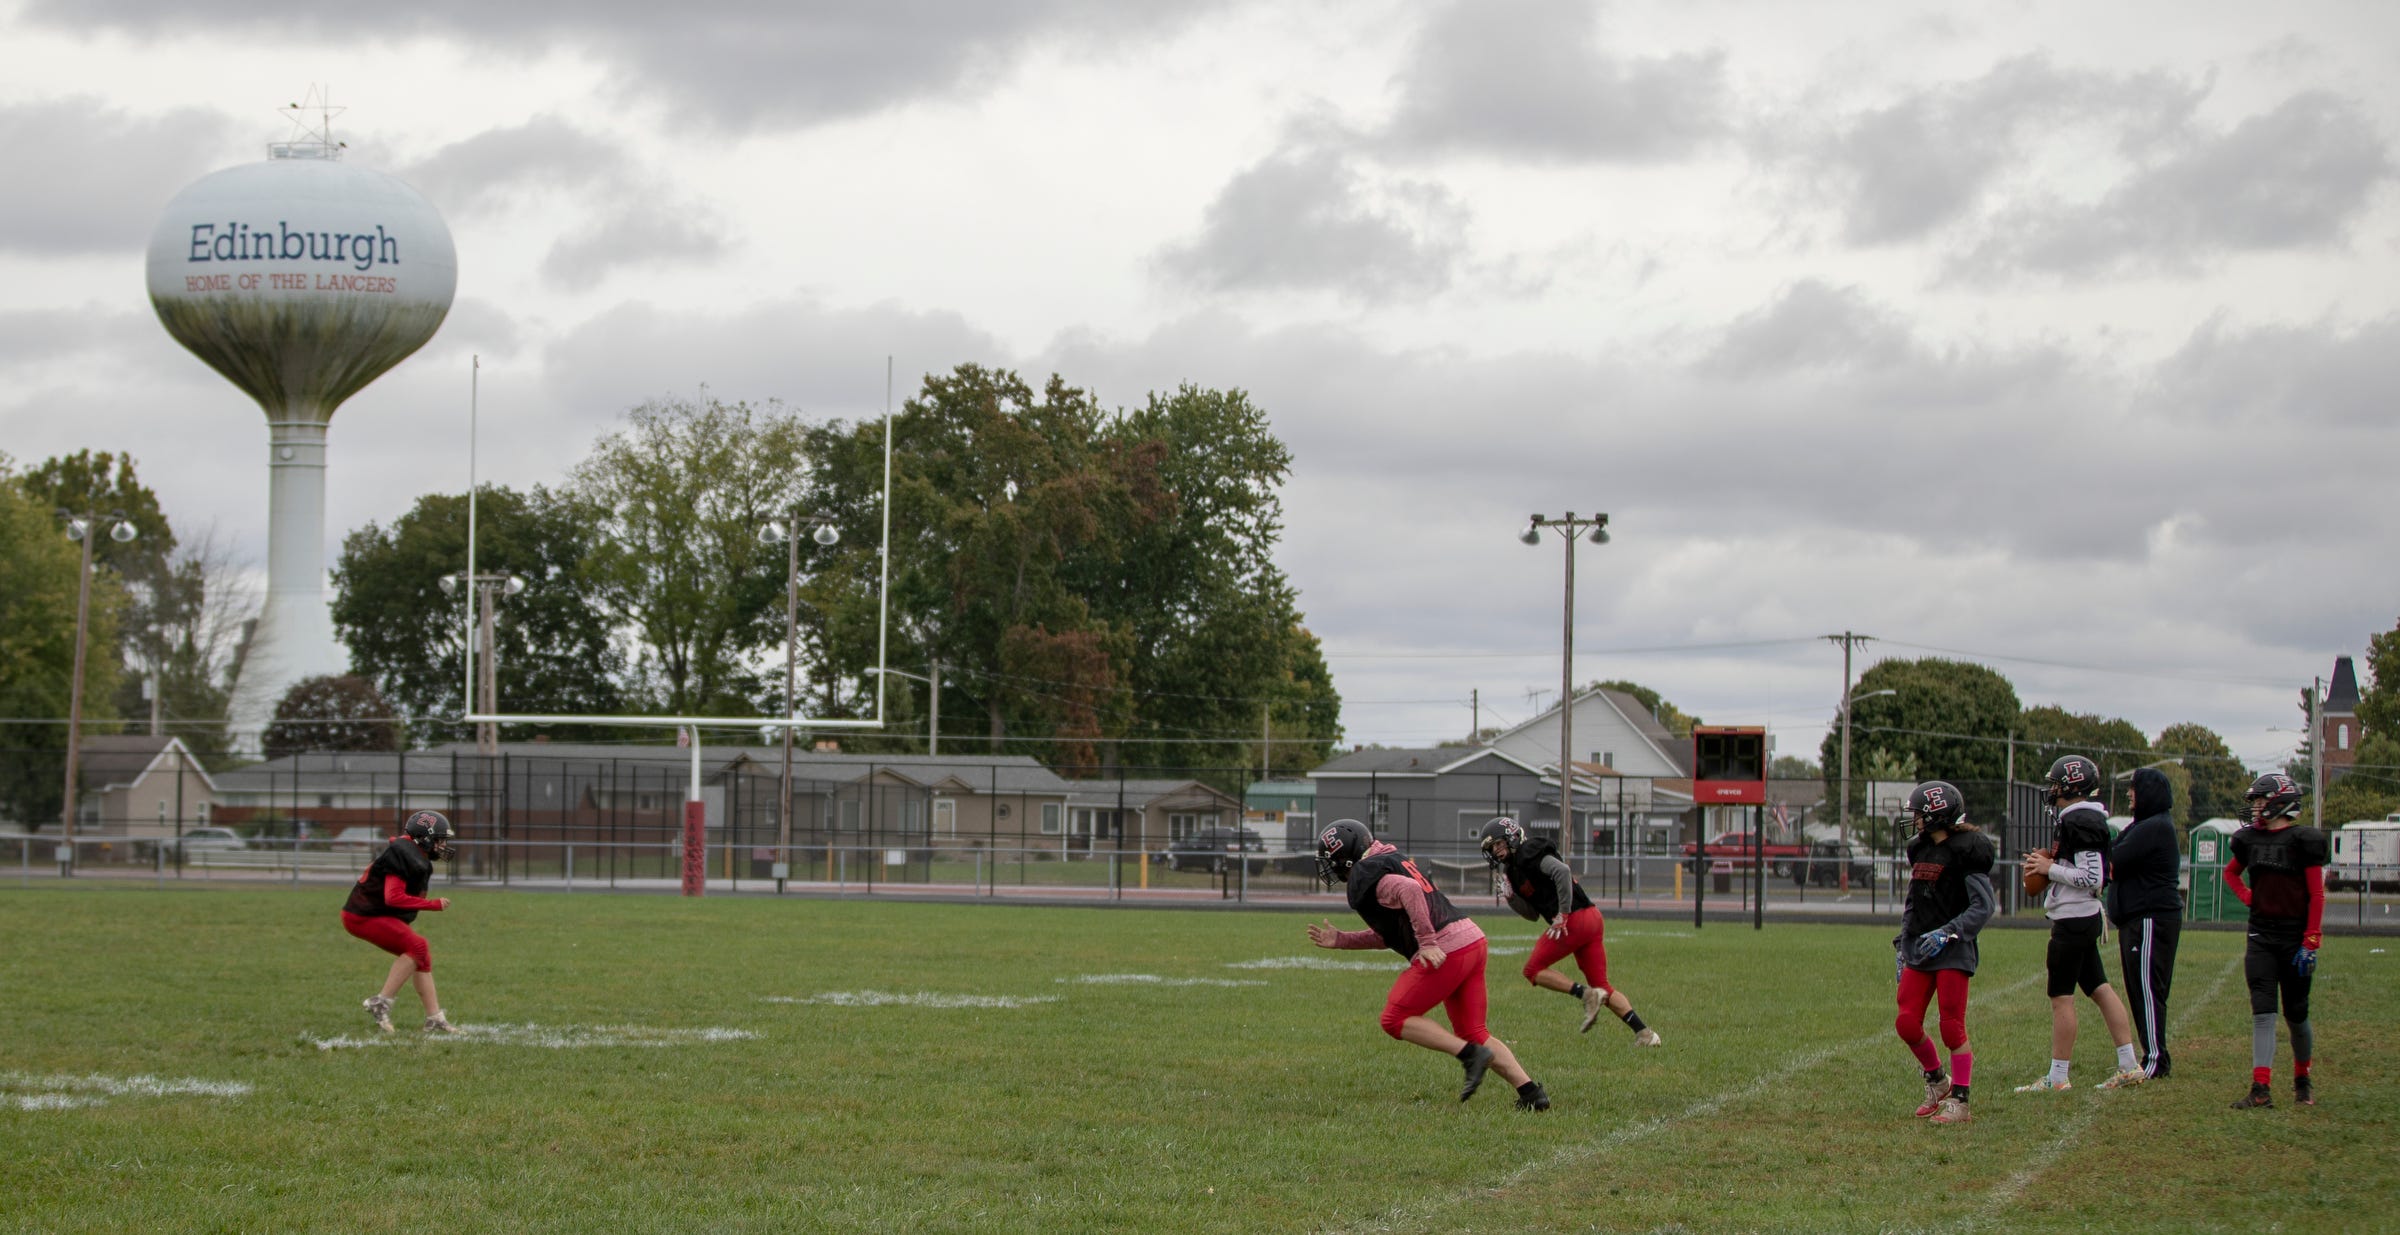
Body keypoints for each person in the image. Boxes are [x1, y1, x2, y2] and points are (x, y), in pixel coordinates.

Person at [1306, 818, 1550, 1111]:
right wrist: (1344, 940)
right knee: (1474, 1031)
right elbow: (1392, 934)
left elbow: (1409, 891)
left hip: (1448, 948)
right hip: (1471, 939)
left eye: (1332, 860)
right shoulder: (1387, 859)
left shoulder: (1365, 872)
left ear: (1346, 857)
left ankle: (1471, 1056)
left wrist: (1428, 942)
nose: (1330, 867)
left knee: (1394, 1018)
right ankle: (1531, 1093)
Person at [2014, 755, 2147, 1094]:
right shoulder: (2080, 817)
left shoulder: (2081, 819)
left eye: (2057, 782)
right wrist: (2051, 864)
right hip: (2081, 916)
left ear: (2071, 785)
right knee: (2100, 988)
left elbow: (2093, 876)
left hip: (2074, 918)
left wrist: (2049, 868)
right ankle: (2129, 1064)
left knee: (2061, 997)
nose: (2052, 788)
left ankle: (2058, 1077)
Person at [1475, 816, 1661, 1045]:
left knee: (1533, 970)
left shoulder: (1529, 851)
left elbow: (1561, 871)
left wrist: (1563, 914)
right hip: (1589, 919)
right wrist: (1511, 898)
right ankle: (1645, 1033)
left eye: (1499, 844)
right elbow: (1532, 915)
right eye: (1492, 848)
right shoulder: (1514, 871)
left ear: (1512, 837)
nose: (1496, 851)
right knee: (1602, 986)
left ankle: (1585, 994)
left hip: (1574, 919)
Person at [1892, 780, 1995, 1126]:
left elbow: (1983, 906)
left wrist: (1949, 932)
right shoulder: (1920, 850)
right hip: (1922, 947)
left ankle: (1961, 1102)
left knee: (1952, 1026)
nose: (1916, 820)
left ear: (1938, 814)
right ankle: (1937, 1081)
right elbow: (1915, 901)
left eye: (1920, 814)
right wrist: (1903, 941)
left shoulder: (1966, 850)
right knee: (1906, 1022)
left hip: (1953, 948)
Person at [2223, 772, 2328, 1109]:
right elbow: (2230, 872)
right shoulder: (2250, 840)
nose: (2255, 808)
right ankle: (2261, 1088)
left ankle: (2302, 1077)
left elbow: (2316, 893)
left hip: (2295, 938)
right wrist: (2247, 897)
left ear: (2279, 802)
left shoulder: (2303, 841)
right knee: (2263, 1010)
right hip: (2261, 936)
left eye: (2260, 800)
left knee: (2296, 1014)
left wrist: (2311, 938)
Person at [342, 809, 459, 1034]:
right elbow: (393, 897)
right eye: (438, 840)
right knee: (417, 946)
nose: (442, 846)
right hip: (363, 915)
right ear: (424, 838)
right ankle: (381, 1001)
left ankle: (434, 1018)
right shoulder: (404, 854)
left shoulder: (411, 852)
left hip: (374, 912)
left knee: (421, 955)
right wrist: (433, 904)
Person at [2108, 766, 2183, 1078]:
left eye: (2134, 789)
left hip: (2151, 918)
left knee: (2149, 990)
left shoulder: (2156, 827)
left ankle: (2155, 1059)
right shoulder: (2144, 826)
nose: (2129, 794)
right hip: (2138, 919)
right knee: (2139, 988)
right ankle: (2150, 1053)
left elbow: (2113, 858)